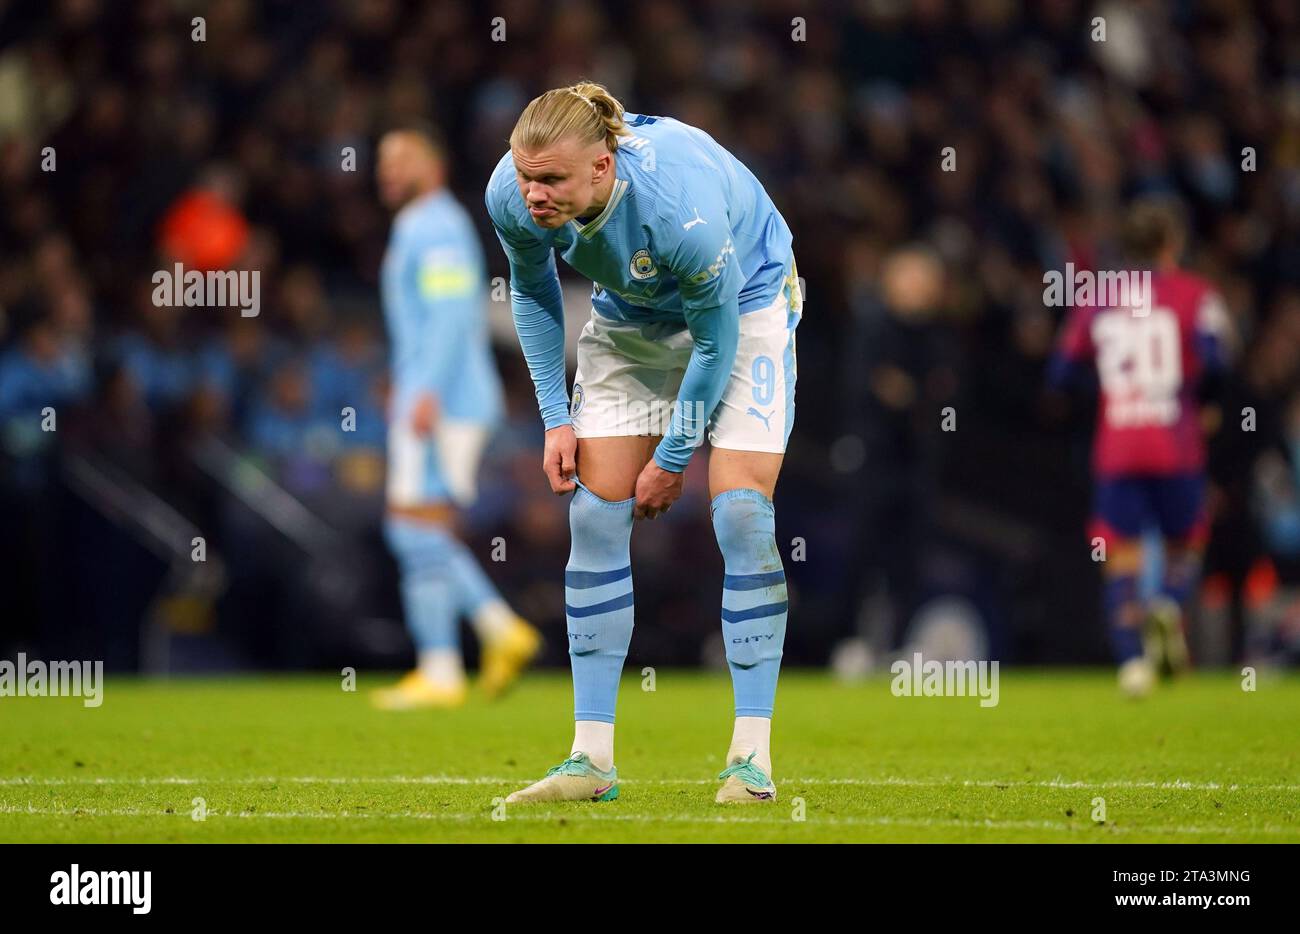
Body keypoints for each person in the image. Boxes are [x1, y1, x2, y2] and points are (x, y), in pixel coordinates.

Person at [485, 82, 801, 803]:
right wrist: (553, 418)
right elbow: (533, 294)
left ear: (603, 167)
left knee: (742, 513)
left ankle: (751, 760)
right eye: (528, 176)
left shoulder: (677, 209)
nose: (534, 195)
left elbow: (715, 343)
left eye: (552, 180)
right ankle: (590, 759)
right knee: (595, 513)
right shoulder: (511, 191)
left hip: (744, 303)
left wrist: (673, 458)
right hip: (630, 317)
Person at [371, 125, 540, 710]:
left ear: (435, 168)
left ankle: (457, 656)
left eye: (404, 158)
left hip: (443, 402)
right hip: (443, 397)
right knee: (421, 528)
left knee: (412, 527)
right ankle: (477, 643)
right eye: (383, 161)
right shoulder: (419, 224)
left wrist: (423, 391)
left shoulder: (437, 225)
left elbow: (448, 315)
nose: (389, 170)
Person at [1048, 198, 1232, 697]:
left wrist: (1110, 392)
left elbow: (1061, 374)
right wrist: (1201, 404)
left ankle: (1132, 664)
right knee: (1186, 543)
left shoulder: (1099, 297)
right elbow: (1218, 364)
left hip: (1120, 444)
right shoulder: (1196, 295)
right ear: (1173, 242)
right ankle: (1169, 605)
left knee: (1120, 555)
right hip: (1176, 440)